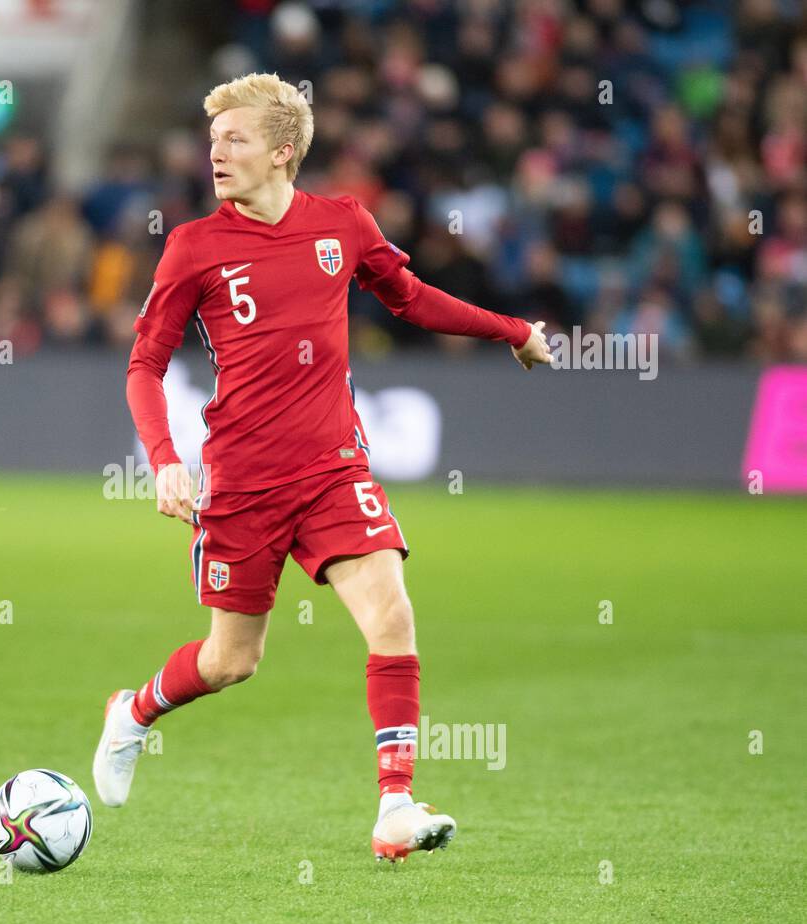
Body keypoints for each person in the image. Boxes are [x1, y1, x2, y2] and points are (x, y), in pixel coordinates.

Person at [92, 73, 552, 862]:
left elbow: (409, 298)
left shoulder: (342, 224)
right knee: (231, 661)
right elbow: (144, 364)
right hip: (240, 483)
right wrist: (164, 459)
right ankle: (132, 712)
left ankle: (395, 807)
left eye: (233, 139)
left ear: (282, 150)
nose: (216, 154)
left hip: (335, 469)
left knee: (393, 615)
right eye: (212, 141)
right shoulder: (194, 245)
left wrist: (510, 329)